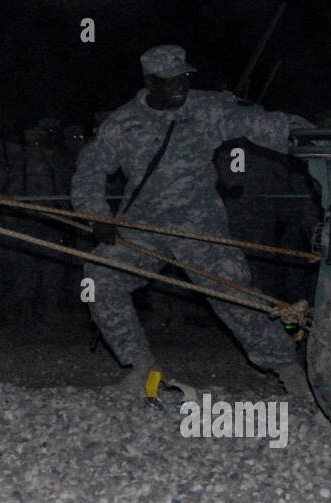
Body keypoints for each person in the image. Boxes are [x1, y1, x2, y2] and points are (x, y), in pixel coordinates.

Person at [71, 44, 312, 397]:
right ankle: (141, 369)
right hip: (142, 229)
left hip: (199, 226)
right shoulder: (122, 124)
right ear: (150, 82)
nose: (180, 86)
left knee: (233, 294)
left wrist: (310, 136)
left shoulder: (206, 109)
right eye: (170, 81)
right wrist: (96, 215)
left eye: (184, 77)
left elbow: (258, 123)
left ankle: (289, 371)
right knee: (100, 277)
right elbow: (89, 170)